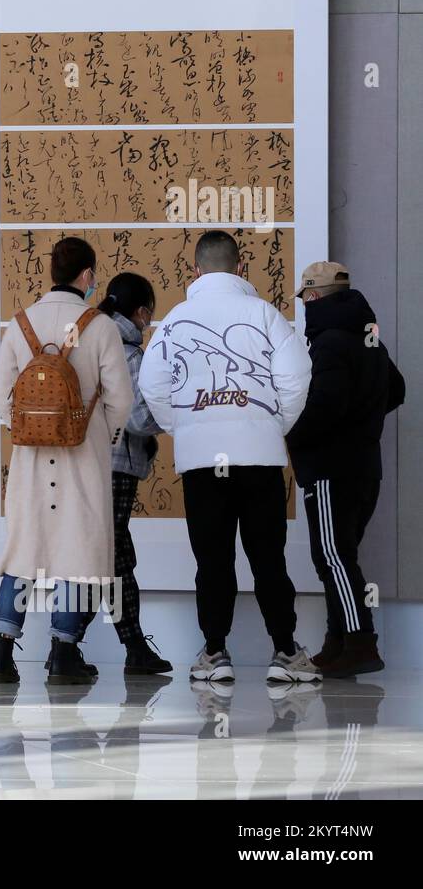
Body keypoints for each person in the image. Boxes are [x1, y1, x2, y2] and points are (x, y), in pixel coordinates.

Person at [140, 230, 315, 684]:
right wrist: (274, 427)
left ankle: (215, 652)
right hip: (259, 457)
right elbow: (297, 376)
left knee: (212, 559)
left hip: (202, 462)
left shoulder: (176, 321)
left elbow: (153, 385)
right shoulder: (265, 314)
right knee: (268, 558)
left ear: (194, 271)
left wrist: (186, 428)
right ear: (241, 269)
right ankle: (285, 652)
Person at [0, 237, 133, 685]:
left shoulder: (20, 324)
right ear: (86, 276)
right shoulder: (100, 326)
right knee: (77, 552)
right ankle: (64, 653)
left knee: (23, 551)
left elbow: (1, 400)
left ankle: (0, 655)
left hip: (30, 460)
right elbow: (122, 401)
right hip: (82, 458)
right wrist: (98, 436)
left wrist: (32, 430)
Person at [285, 261, 405, 678]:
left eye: (305, 299)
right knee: (340, 556)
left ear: (314, 297)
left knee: (333, 558)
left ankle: (360, 643)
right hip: (365, 467)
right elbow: (397, 389)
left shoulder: (330, 342)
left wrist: (291, 436)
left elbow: (326, 406)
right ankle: (337, 644)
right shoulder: (369, 339)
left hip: (331, 469)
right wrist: (364, 422)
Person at [72, 272, 173, 674]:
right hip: (112, 466)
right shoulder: (125, 352)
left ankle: (74, 646)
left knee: (102, 555)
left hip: (77, 463)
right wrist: (173, 411)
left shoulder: (84, 338)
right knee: (110, 556)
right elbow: (138, 417)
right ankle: (121, 646)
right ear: (142, 312)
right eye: (150, 315)